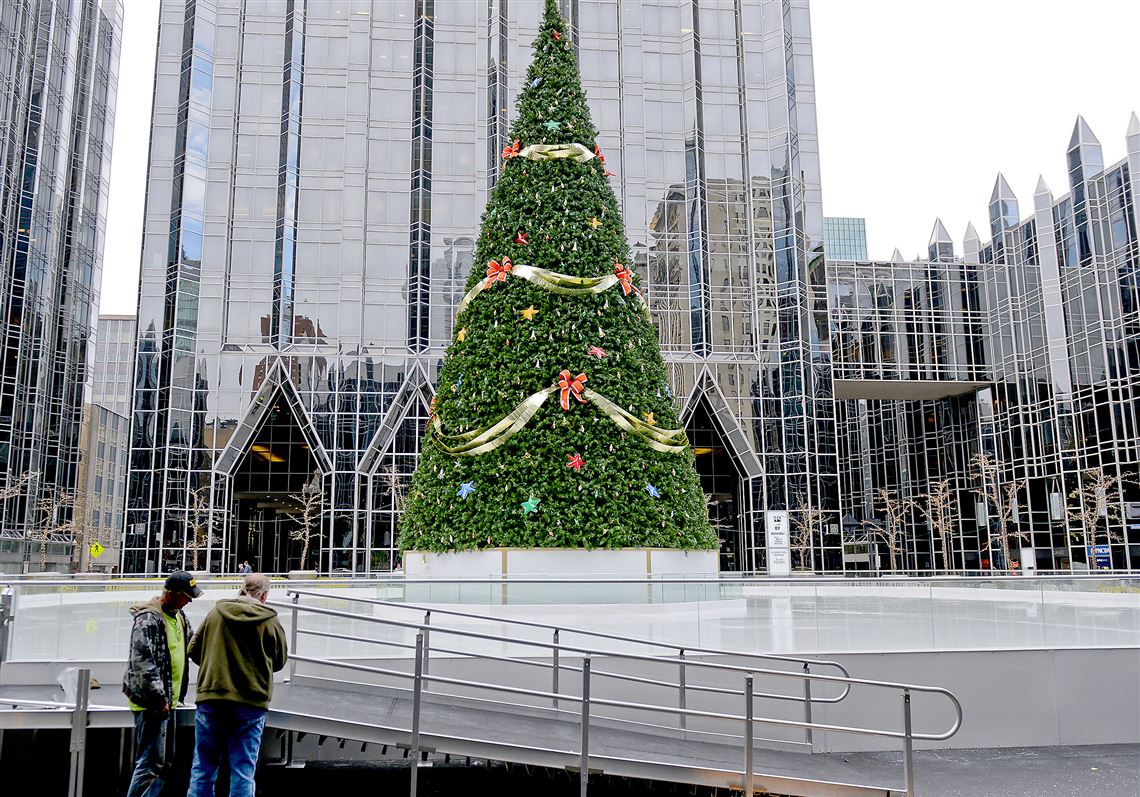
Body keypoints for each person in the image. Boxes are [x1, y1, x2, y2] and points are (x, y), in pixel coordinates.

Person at [187, 573, 288, 797]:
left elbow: (193, 650)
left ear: (242, 589)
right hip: (250, 702)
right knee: (243, 770)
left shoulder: (216, 614)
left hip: (212, 697)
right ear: (264, 594)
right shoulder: (269, 620)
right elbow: (279, 661)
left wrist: (216, 666)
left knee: (203, 767)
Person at [122, 570, 202, 797]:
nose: (190, 600)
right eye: (187, 596)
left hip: (169, 700)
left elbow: (192, 647)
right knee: (150, 763)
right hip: (153, 704)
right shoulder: (148, 620)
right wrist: (158, 699)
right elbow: (143, 663)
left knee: (164, 762)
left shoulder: (178, 616)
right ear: (173, 593)